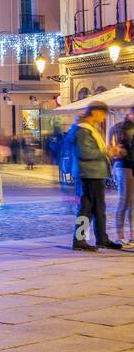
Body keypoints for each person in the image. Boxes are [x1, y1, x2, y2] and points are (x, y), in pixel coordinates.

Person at [72, 102, 124, 251]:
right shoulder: (83, 130)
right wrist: (107, 152)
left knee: (95, 208)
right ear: (95, 112)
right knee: (88, 208)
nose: (103, 118)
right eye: (103, 114)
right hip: (89, 174)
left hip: (94, 173)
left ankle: (99, 239)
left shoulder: (89, 128)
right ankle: (83, 240)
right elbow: (84, 152)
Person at [115, 110, 134, 244]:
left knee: (132, 203)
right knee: (124, 201)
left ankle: (132, 236)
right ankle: (120, 236)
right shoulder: (124, 128)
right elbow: (124, 151)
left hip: (128, 167)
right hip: (125, 167)